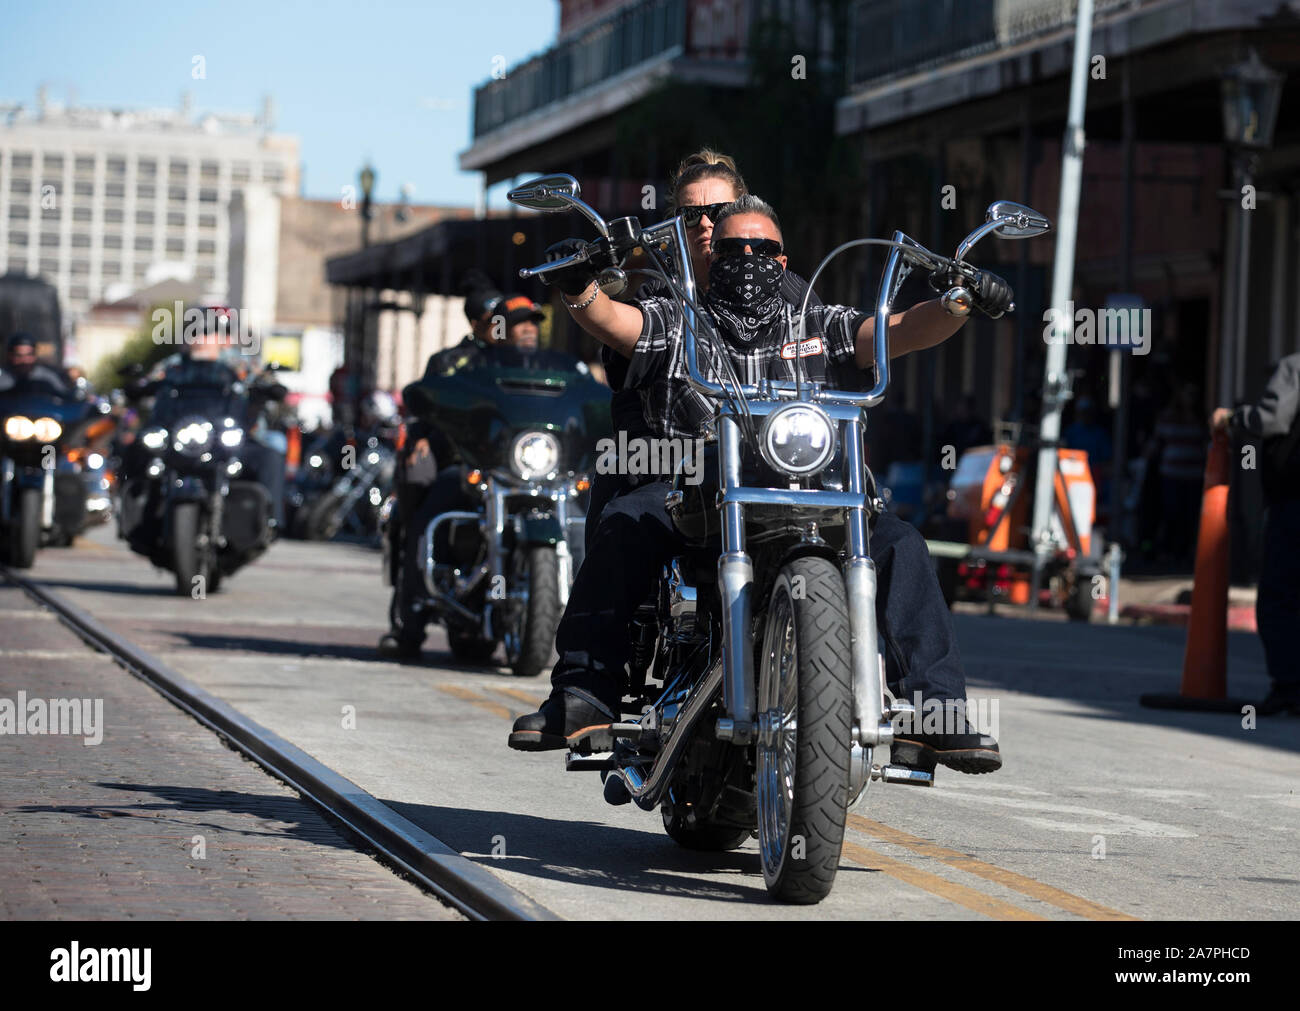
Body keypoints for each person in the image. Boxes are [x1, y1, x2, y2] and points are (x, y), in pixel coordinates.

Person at [509, 194, 1013, 773]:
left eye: (761, 249)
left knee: (901, 543)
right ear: (712, 255)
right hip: (698, 492)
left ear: (782, 259)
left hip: (809, 492)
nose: (746, 259)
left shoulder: (819, 324)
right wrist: (580, 285)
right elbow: (615, 321)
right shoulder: (680, 318)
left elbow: (902, 330)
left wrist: (959, 302)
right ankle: (583, 696)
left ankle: (935, 713)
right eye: (732, 248)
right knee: (625, 521)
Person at [377, 288, 546, 659]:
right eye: (498, 321)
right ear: (479, 323)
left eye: (527, 323)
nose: (516, 329)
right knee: (425, 516)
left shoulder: (533, 366)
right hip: (465, 464)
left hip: (521, 467)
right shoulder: (455, 362)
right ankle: (411, 621)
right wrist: (421, 437)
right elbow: (426, 406)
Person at [1213, 352, 1300, 715]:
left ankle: (1289, 689)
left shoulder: (1295, 367)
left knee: (1280, 595)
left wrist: (1232, 418)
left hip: (1295, 503)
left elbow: (1272, 418)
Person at [0, 332, 72, 397]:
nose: (24, 360)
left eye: (29, 355)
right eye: (18, 356)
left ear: (35, 356)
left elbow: (64, 397)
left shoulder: (48, 378)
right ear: (10, 356)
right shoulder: (2, 378)